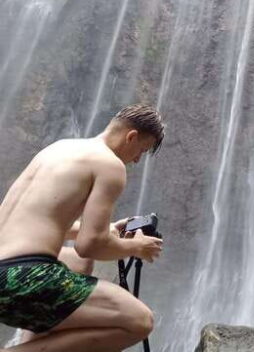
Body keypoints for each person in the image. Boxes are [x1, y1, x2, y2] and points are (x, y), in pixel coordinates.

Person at [0, 104, 165, 352]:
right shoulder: (110, 165)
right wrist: (136, 247)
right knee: (140, 321)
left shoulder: (59, 149)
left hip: (7, 272)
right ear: (131, 136)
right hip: (24, 277)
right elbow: (90, 245)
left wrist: (107, 229)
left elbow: (48, 220)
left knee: (78, 264)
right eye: (140, 150)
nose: (137, 159)